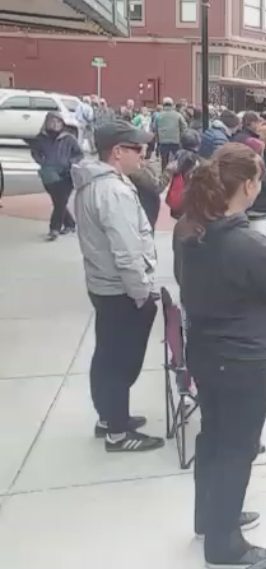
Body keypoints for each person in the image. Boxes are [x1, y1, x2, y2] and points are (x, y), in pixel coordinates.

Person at [177, 143, 266, 566]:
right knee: (237, 449)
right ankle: (225, 543)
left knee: (213, 437)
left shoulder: (189, 228)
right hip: (242, 359)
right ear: (249, 186)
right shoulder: (244, 243)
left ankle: (211, 517)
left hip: (205, 349)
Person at [71, 119, 163, 452]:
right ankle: (118, 434)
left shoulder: (95, 183)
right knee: (120, 361)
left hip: (104, 286)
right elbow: (127, 251)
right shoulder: (113, 191)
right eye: (137, 148)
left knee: (107, 356)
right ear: (118, 152)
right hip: (120, 290)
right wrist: (141, 293)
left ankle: (111, 418)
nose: (143, 154)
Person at [29, 111, 81, 240]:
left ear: (62, 123)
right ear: (46, 123)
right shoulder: (40, 138)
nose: (55, 124)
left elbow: (79, 154)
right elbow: (35, 152)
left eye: (58, 121)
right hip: (49, 174)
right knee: (58, 202)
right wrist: (42, 161)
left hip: (66, 174)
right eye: (51, 121)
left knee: (61, 201)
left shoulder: (69, 138)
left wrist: (71, 162)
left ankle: (54, 229)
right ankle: (70, 224)